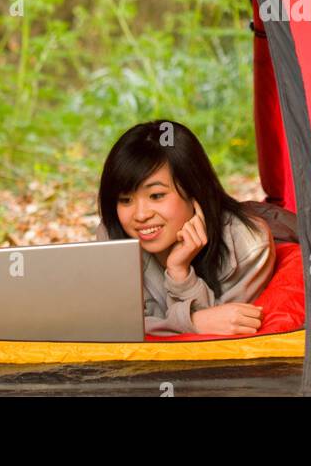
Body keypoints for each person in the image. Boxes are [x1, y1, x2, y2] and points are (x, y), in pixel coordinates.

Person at [96, 119, 280, 337]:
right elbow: (112, 325)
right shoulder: (113, 235)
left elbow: (225, 330)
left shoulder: (249, 245)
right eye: (125, 200)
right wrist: (189, 322)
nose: (140, 215)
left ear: (195, 190)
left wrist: (179, 272)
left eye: (157, 196)